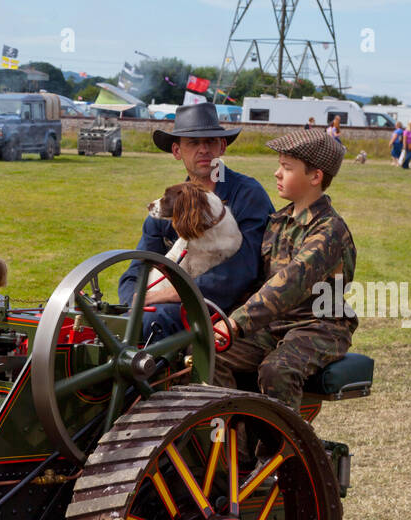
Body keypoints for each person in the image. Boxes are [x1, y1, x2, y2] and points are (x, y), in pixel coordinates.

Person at [212, 128, 356, 415]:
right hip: (275, 325)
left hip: (320, 326)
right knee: (212, 357)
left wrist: (237, 322)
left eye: (287, 168)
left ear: (315, 177)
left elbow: (290, 282)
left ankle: (283, 453)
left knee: (277, 370)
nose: (277, 173)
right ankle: (232, 451)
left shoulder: (329, 232)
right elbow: (258, 279)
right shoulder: (279, 222)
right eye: (279, 165)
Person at [117, 102, 274, 344]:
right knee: (114, 322)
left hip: (229, 307)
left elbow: (242, 271)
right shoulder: (170, 205)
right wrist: (132, 301)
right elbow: (139, 266)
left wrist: (168, 295)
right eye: (193, 143)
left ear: (221, 146)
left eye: (210, 142)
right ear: (177, 151)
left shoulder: (247, 195)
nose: (203, 150)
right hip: (167, 300)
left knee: (151, 323)